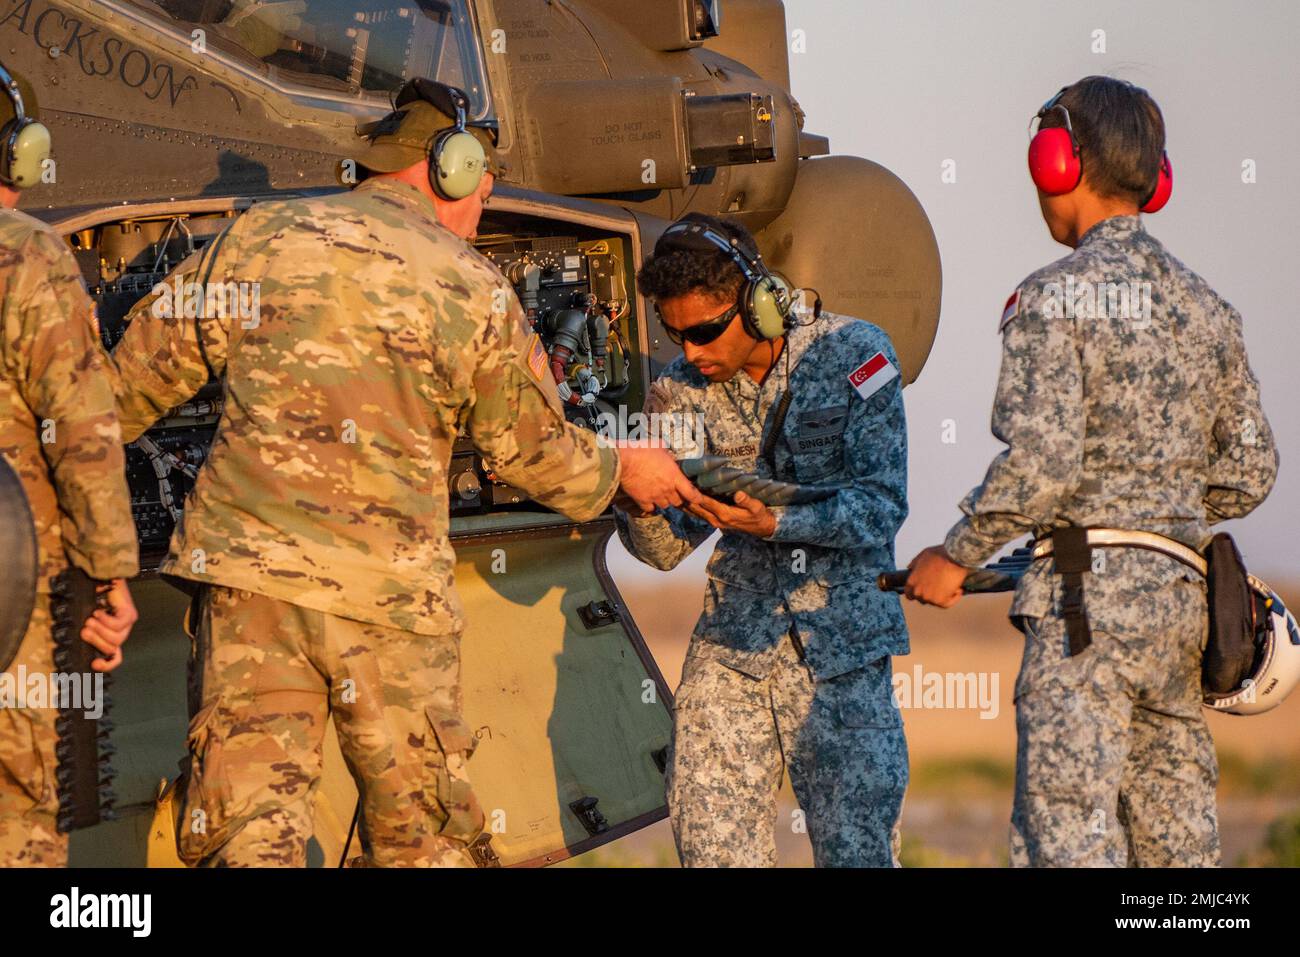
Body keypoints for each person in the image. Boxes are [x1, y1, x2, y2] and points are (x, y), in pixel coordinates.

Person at [110, 78, 696, 867]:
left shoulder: (259, 240)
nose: (483, 204)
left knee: (247, 834)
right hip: (388, 605)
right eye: (482, 188)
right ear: (450, 167)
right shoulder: (470, 283)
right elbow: (531, 454)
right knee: (421, 839)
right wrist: (626, 468)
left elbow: (126, 385)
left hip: (251, 590)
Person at [905, 76, 1279, 867]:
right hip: (1184, 614)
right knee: (1179, 852)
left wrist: (954, 555)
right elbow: (1252, 469)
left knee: (1068, 840)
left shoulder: (1052, 298)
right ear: (1156, 177)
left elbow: (1041, 467)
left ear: (1057, 161)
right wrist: (1158, 501)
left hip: (1084, 610)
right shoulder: (1210, 310)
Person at [615, 213, 910, 867]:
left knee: (857, 852)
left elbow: (881, 506)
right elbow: (665, 551)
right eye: (674, 333)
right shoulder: (678, 393)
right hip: (732, 657)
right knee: (710, 847)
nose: (690, 351)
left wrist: (781, 522)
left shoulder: (858, 355)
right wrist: (635, 492)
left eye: (704, 331)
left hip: (842, 654)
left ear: (758, 302)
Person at [0, 64, 138, 867]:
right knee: (23, 819)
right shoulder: (28, 256)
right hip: (19, 600)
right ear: (21, 155)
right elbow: (82, 430)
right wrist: (109, 575)